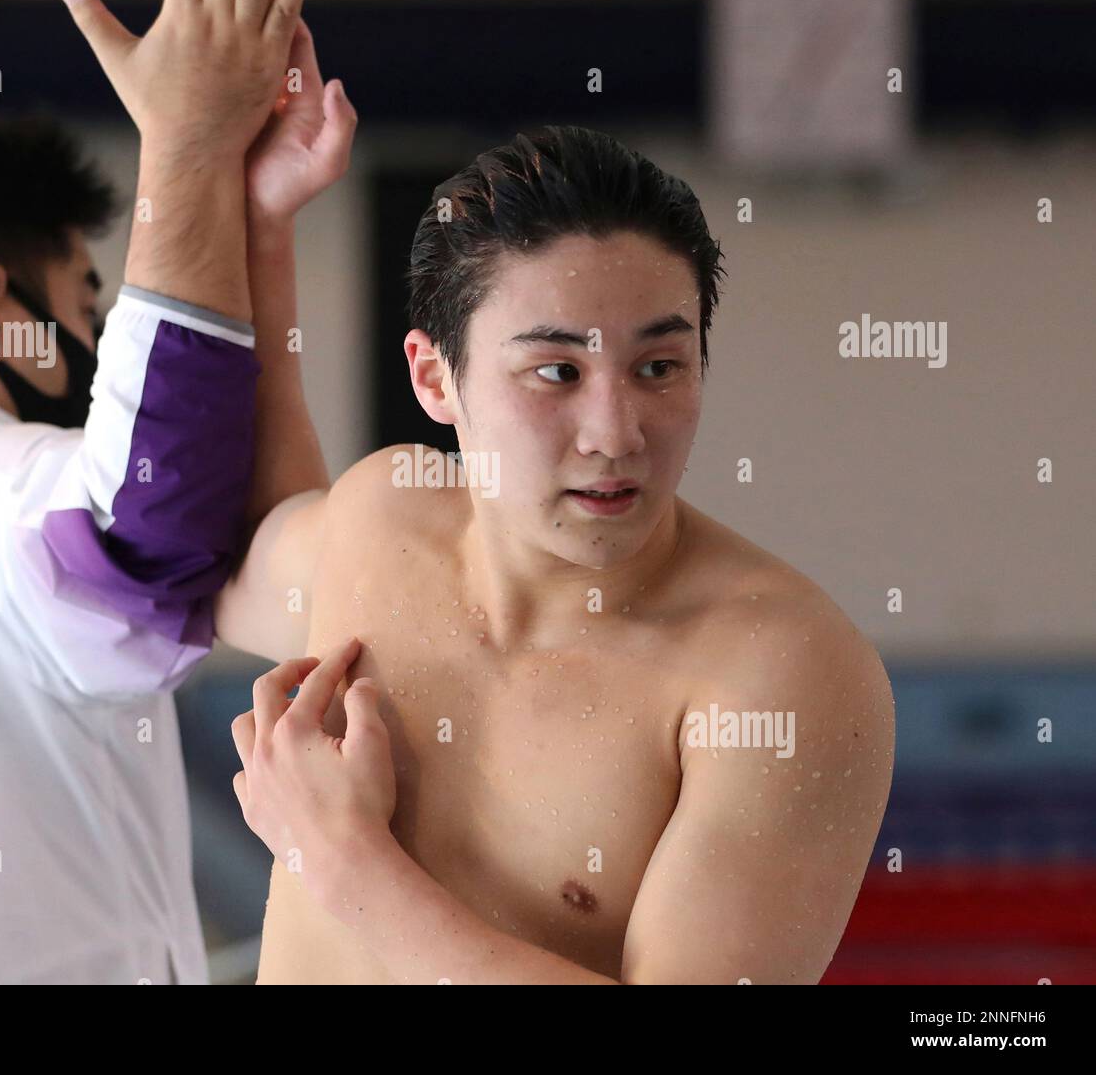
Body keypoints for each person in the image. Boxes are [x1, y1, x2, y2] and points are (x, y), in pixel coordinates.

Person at [219, 125, 897, 984]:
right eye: (555, 373)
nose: (616, 435)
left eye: (658, 367)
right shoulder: (382, 515)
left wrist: (344, 862)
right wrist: (255, 217)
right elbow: (231, 549)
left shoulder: (779, 672)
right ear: (435, 381)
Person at [0, 0, 352, 983]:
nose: (96, 350)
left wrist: (252, 227)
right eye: (88, 313)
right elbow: (149, 527)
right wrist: (184, 148)